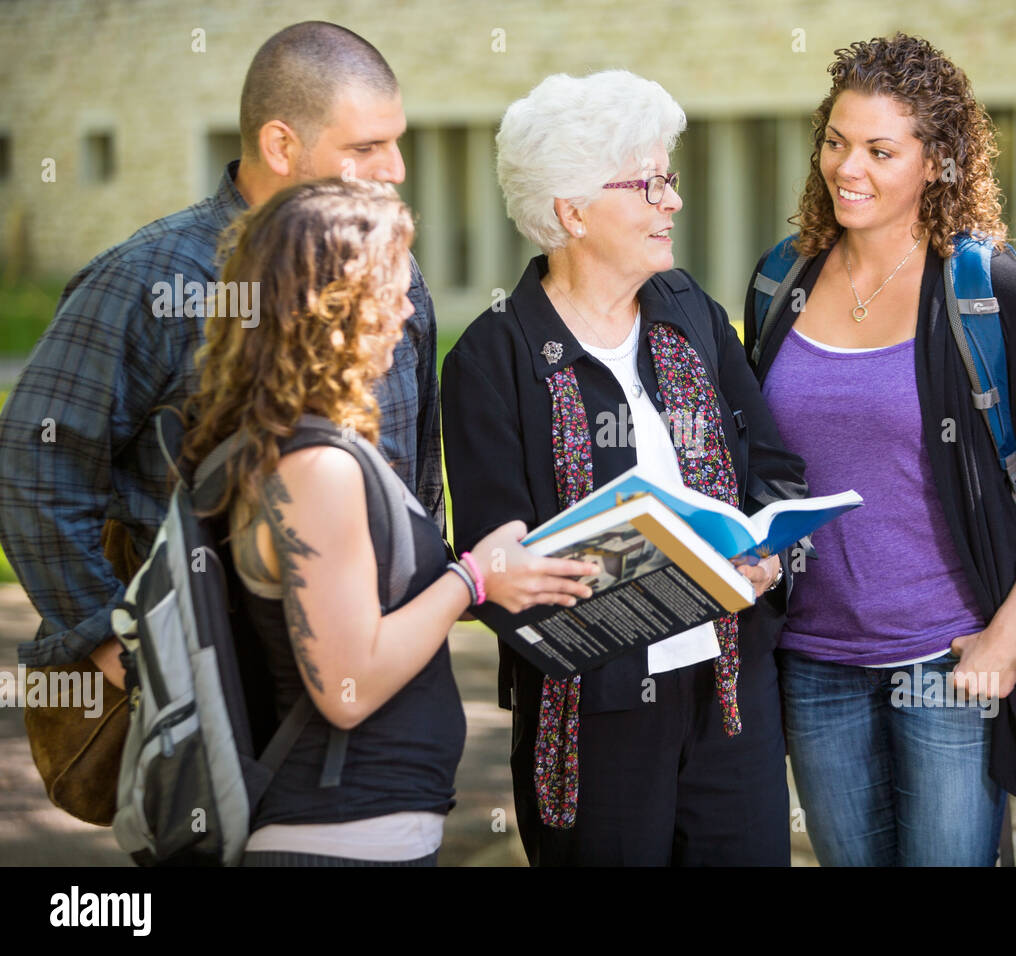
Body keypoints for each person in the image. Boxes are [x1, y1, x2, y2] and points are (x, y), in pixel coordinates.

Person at [746, 34, 1016, 866]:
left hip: (951, 659)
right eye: (835, 141)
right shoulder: (778, 280)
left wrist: (1010, 635)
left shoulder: (986, 287)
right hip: (813, 662)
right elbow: (757, 466)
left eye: (879, 149)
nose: (847, 168)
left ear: (937, 160)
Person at [441, 70, 808, 866]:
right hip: (595, 717)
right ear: (571, 212)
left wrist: (770, 552)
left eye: (668, 180)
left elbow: (773, 468)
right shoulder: (491, 356)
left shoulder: (691, 311)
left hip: (730, 695)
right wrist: (646, 576)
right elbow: (496, 564)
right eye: (648, 184)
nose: (671, 201)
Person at [0, 21, 437, 689]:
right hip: (217, 697)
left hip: (380, 693)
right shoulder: (148, 279)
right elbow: (35, 466)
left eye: (395, 142)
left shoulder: (394, 276)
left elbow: (418, 476)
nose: (395, 169)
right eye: (367, 146)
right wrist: (123, 653)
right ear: (280, 145)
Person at [180, 177, 597, 866]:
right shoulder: (316, 470)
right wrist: (472, 580)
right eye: (392, 292)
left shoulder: (293, 444)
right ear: (331, 305)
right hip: (336, 839)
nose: (408, 312)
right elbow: (349, 684)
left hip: (363, 835)